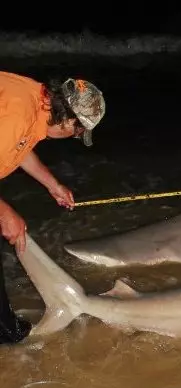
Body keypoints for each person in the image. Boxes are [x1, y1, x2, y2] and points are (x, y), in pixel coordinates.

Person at [0, 70, 105, 343]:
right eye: (77, 132)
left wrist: (53, 184)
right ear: (69, 119)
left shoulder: (38, 102)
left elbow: (18, 146)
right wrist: (6, 214)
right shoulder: (18, 112)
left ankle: (6, 331)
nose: (74, 136)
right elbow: (12, 130)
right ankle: (7, 334)